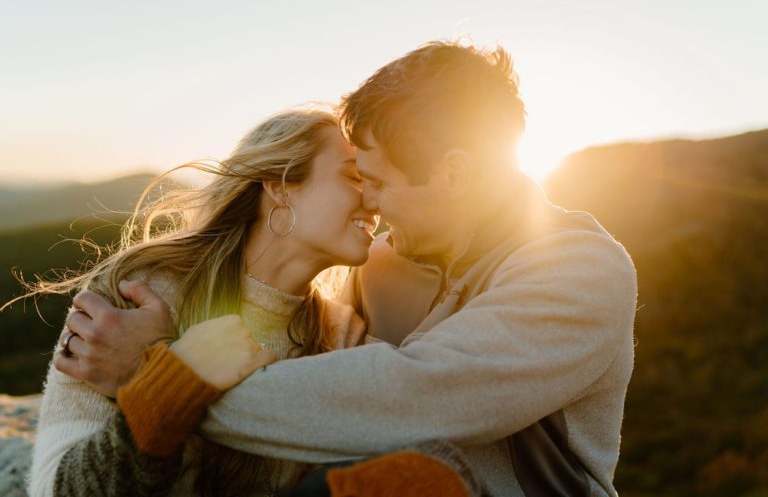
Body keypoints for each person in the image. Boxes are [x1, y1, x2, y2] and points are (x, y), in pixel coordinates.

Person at [56, 41, 638, 496]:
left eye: (379, 182)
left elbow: (416, 399)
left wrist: (162, 381)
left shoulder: (578, 269)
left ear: (454, 174)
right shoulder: (380, 269)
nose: (372, 204)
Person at [25, 109, 388, 496]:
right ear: (281, 185)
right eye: (354, 177)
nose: (376, 199)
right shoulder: (142, 288)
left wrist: (158, 374)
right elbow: (55, 489)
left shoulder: (340, 336)